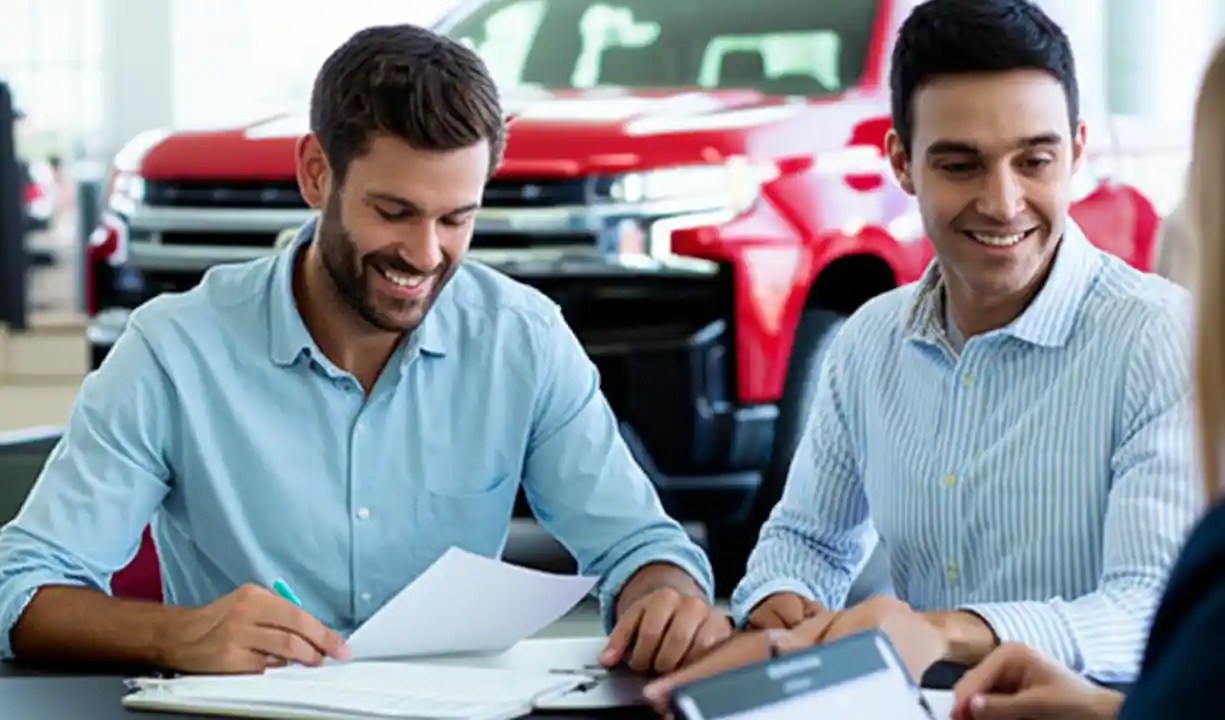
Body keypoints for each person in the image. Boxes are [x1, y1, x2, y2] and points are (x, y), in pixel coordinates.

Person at [0, 25, 728, 675]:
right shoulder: (174, 351)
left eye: (456, 219)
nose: (425, 253)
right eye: (394, 212)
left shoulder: (524, 341)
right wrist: (177, 635)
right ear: (317, 173)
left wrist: (665, 597)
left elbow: (640, 547)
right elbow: (20, 586)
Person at [647, 6, 1225, 719]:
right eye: (960, 164)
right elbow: (805, 540)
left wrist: (945, 632)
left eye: (1034, 161)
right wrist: (783, 613)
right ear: (901, 164)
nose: (1002, 202)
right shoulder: (869, 343)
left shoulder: (1157, 339)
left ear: (1075, 151)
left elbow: (1147, 610)